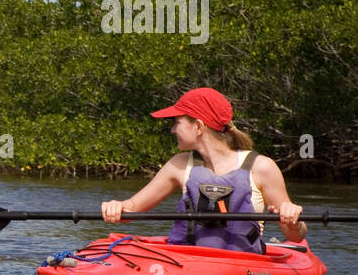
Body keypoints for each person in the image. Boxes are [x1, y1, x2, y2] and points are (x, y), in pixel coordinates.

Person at [100, 87, 307, 250]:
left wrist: (292, 221)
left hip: (242, 266)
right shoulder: (179, 165)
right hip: (187, 264)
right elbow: (132, 207)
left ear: (198, 127)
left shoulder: (261, 167)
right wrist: (117, 207)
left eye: (177, 123)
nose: (173, 130)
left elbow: (295, 236)